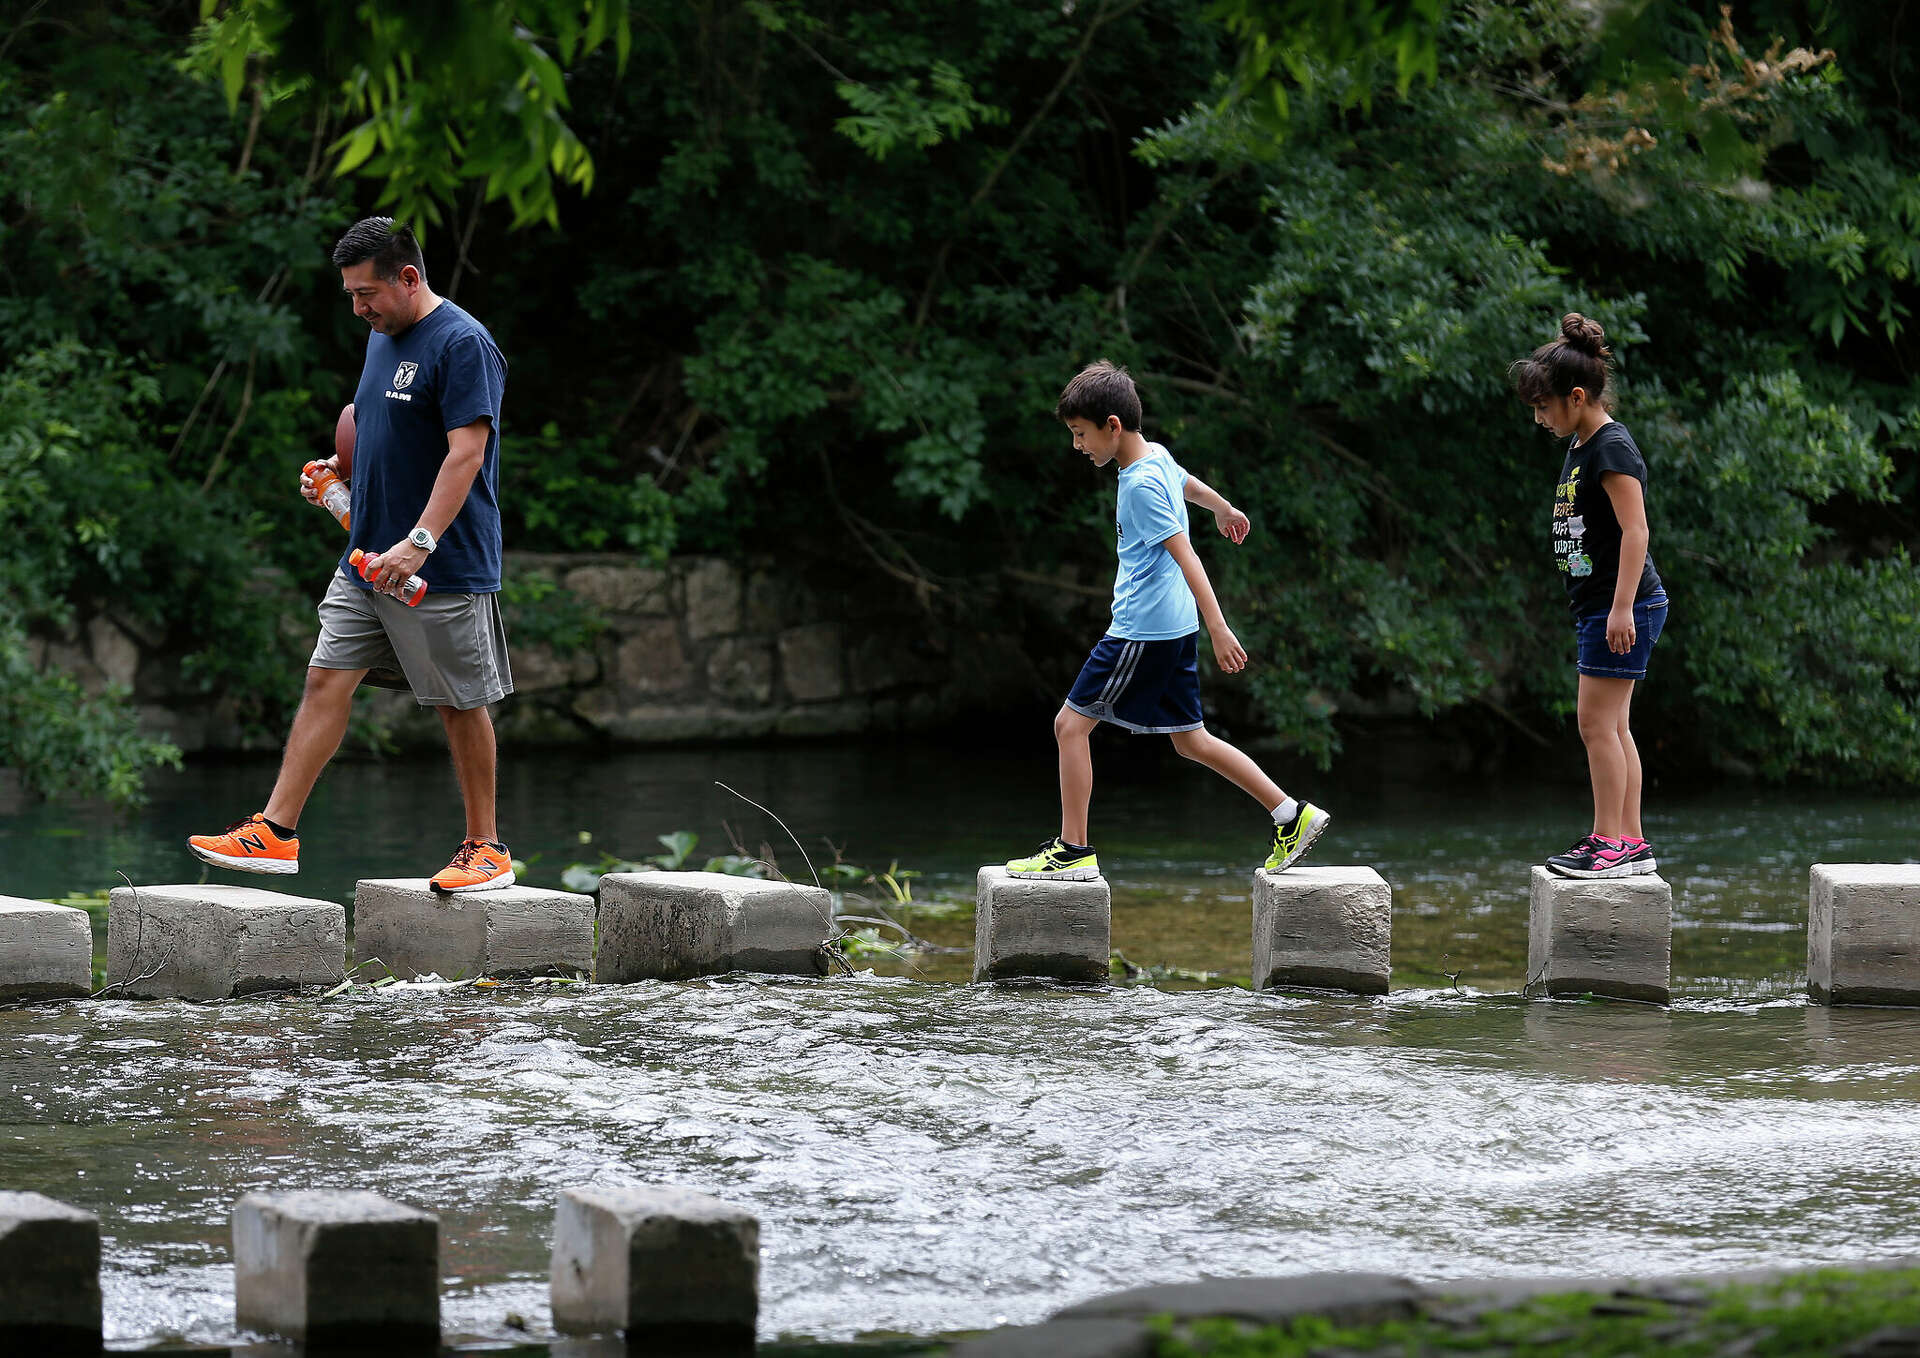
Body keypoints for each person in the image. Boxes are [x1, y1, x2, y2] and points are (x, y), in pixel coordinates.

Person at [188, 217, 516, 894]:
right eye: (351, 295)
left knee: (459, 703)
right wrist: (341, 481)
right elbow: (383, 437)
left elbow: (466, 454)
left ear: (409, 278)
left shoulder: (463, 344)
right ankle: (275, 832)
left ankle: (486, 848)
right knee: (324, 680)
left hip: (439, 566)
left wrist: (419, 543)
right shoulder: (381, 336)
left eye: (367, 293)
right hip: (366, 563)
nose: (359, 308)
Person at [1004, 360, 1330, 881]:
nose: (1077, 445)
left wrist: (1219, 627)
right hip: (1173, 629)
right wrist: (1223, 507)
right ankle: (1291, 815)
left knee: (1069, 726)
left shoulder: (1138, 484)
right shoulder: (1155, 455)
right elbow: (1187, 484)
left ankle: (1072, 850)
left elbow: (1187, 556)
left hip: (1141, 631)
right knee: (1191, 741)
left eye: (1081, 433)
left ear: (1113, 425)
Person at [1513, 313, 1668, 880]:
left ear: (1576, 397)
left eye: (1544, 407)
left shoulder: (1611, 447)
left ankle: (1608, 842)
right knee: (1615, 727)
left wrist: (1622, 607)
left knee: (1595, 725)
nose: (1539, 418)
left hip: (1620, 607)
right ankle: (1631, 841)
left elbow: (1636, 531)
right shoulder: (1582, 444)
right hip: (1601, 606)